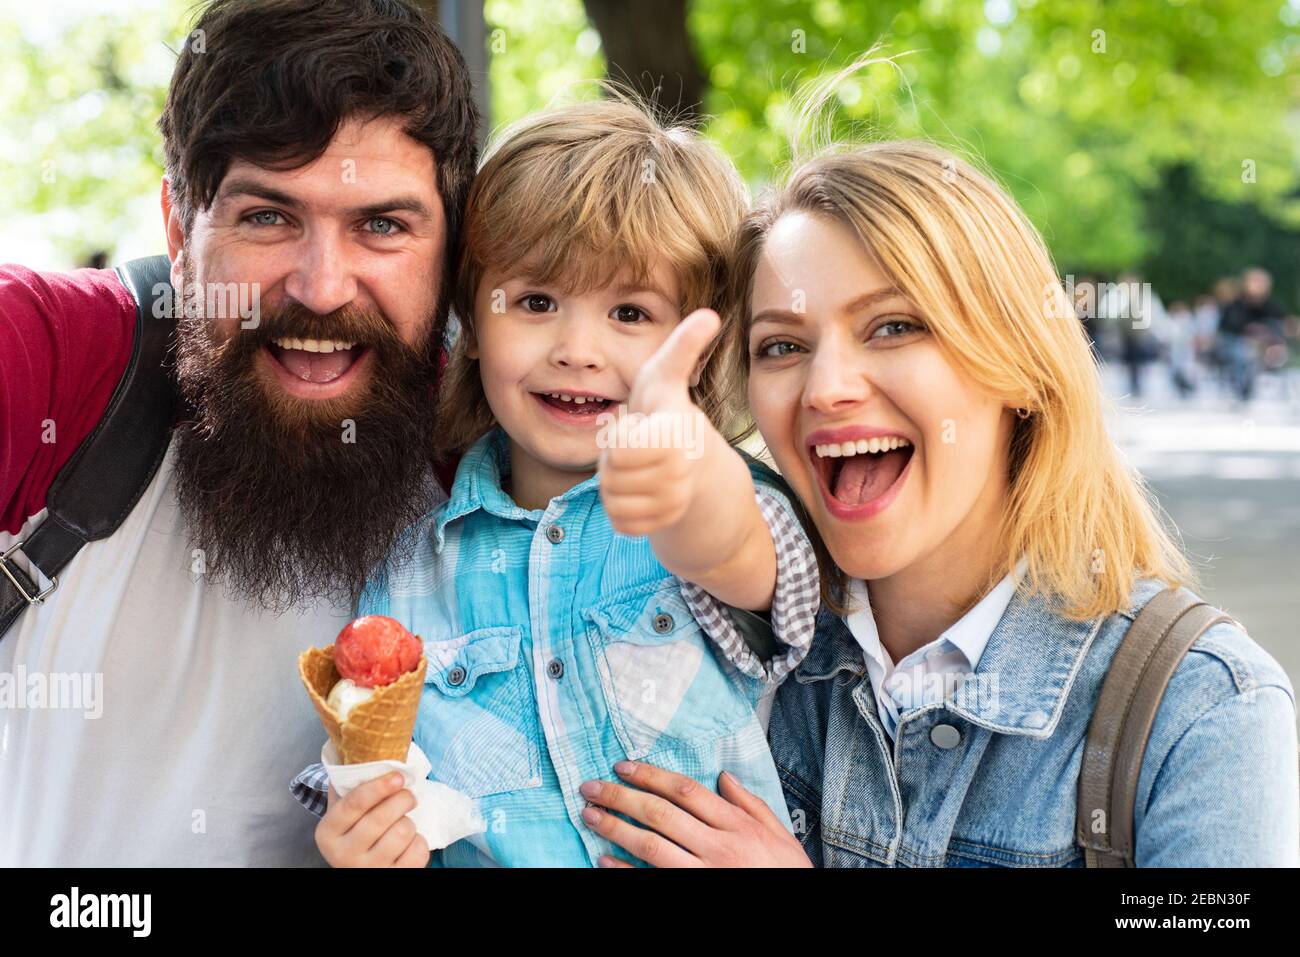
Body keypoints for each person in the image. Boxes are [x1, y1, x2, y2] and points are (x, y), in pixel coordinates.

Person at [574, 115, 1298, 866]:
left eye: (892, 326)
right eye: (782, 346)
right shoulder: (715, 648)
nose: (826, 389)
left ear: (1018, 365)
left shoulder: (1204, 709)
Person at [0, 0, 479, 865]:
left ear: (452, 254)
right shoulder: (66, 366)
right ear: (181, 231)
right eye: (268, 216)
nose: (324, 287)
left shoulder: (503, 446)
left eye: (382, 225)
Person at [293, 97, 820, 866]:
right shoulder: (405, 578)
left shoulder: (718, 509)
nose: (578, 348)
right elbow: (393, 792)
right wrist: (364, 845)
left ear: (695, 347)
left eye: (631, 312)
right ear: (472, 326)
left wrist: (685, 464)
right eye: (536, 302)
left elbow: (731, 542)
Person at [1220, 267, 1288, 402]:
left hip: (1265, 347)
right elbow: (1230, 329)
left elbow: (1284, 323)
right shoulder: (1236, 305)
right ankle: (1242, 391)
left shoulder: (1270, 305)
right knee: (1243, 353)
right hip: (1236, 345)